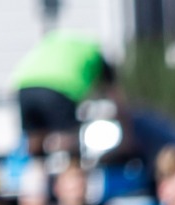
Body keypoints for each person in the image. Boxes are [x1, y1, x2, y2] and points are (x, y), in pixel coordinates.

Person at [9, 30, 112, 159]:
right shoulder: (94, 53)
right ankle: (67, 170)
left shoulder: (52, 44)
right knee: (68, 135)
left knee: (34, 137)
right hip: (60, 87)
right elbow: (111, 90)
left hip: (25, 86)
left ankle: (36, 169)